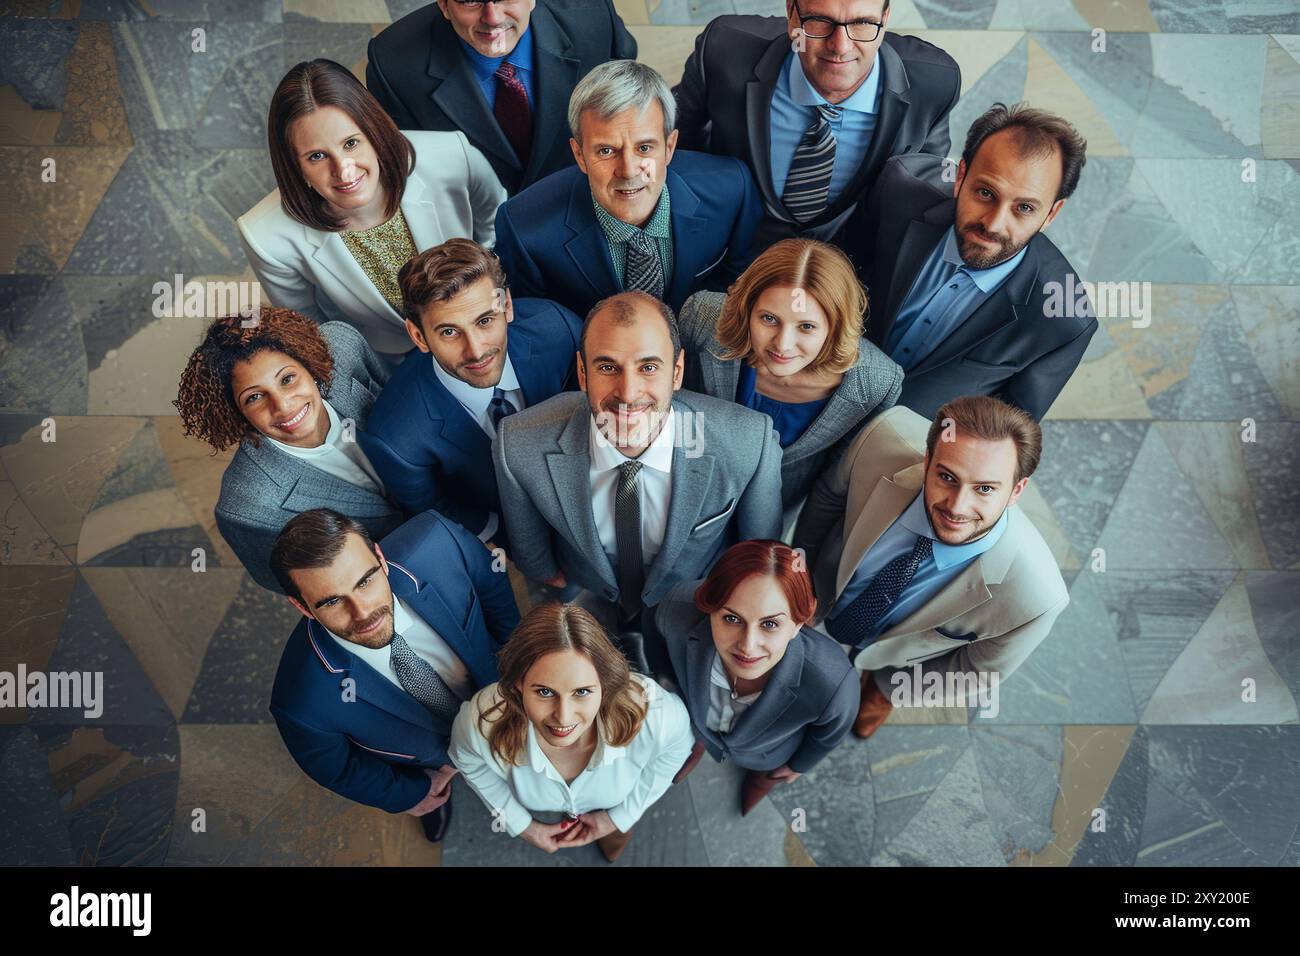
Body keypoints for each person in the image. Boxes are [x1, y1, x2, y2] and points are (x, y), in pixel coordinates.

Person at [492, 291, 784, 629]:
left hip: (695, 605)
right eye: (607, 367)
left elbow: (759, 558)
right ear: (583, 373)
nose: (628, 393)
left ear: (676, 372)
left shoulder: (747, 441)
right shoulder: (518, 444)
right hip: (586, 601)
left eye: (648, 367)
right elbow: (535, 558)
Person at [793, 396, 1069, 739]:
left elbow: (976, 673)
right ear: (927, 462)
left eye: (984, 489)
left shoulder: (1037, 599)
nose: (957, 506)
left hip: (894, 660)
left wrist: (889, 688)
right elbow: (828, 498)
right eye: (947, 477)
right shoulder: (882, 436)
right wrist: (801, 580)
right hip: (828, 590)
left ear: (1016, 491)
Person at [268, 508, 520, 841]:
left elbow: (493, 589)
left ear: (380, 558)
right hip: (430, 761)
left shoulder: (440, 542)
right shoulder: (300, 703)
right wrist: (413, 793)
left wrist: (520, 666)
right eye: (332, 602)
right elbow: (339, 770)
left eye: (365, 581)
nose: (363, 613)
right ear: (302, 607)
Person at [835, 103, 1097, 420]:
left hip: (905, 454)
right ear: (961, 176)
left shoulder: (1064, 320)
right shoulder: (898, 192)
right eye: (985, 193)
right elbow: (829, 274)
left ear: (1051, 214)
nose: (994, 223)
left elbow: (1003, 437)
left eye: (1024, 208)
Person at [238, 59, 507, 359]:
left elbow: (499, 221)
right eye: (316, 156)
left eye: (351, 143)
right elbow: (309, 330)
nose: (343, 170)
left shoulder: (451, 156)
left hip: (485, 328)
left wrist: (481, 292)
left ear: (374, 133)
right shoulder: (265, 236)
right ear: (296, 167)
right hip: (389, 362)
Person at [673, 0, 959, 248]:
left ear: (884, 19)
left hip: (852, 274)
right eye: (820, 21)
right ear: (792, 14)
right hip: (729, 255)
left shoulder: (935, 83)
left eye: (862, 22)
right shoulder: (724, 48)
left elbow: (921, 195)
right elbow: (676, 150)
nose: (840, 47)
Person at [493, 59, 764, 320]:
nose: (629, 170)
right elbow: (541, 330)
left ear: (669, 147)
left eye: (644, 148)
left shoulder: (732, 189)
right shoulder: (524, 230)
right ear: (579, 155)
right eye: (606, 150)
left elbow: (740, 281)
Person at [360, 239, 582, 547]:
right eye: (449, 332)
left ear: (507, 306)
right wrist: (512, 542)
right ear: (418, 337)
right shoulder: (395, 438)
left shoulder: (560, 332)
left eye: (485, 320)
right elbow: (436, 508)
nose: (476, 351)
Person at [174, 308, 403, 593]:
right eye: (255, 397)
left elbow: (405, 402)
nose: (283, 406)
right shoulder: (247, 509)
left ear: (309, 364)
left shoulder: (345, 347)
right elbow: (304, 593)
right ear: (236, 413)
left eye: (287, 379)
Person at [450, 601, 692, 861]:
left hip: (614, 811)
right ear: (519, 683)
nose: (563, 717)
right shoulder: (480, 722)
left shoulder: (655, 713)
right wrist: (521, 825)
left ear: (604, 683)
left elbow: (677, 749)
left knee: (617, 841)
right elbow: (469, 762)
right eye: (544, 692)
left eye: (582, 692)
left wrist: (621, 817)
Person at [677, 238, 901, 513]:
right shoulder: (700, 319)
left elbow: (833, 485)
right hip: (687, 491)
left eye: (806, 326)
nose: (782, 345)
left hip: (779, 509)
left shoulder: (877, 383)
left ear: (835, 327)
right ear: (747, 309)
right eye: (769, 319)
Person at [646, 540, 859, 815]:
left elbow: (830, 733)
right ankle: (699, 743)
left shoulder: (833, 681)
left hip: (766, 756)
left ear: (798, 623)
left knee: (769, 775)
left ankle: (762, 781)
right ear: (710, 608)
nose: (747, 646)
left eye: (770, 624)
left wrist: (796, 766)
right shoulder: (674, 610)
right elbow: (657, 644)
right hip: (699, 720)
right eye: (732, 619)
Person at [366, 0, 638, 195]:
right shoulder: (393, 62)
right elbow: (407, 167)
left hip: (583, 196)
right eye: (471, 2)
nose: (493, 18)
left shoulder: (592, 14)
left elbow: (627, 97)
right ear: (444, 5)